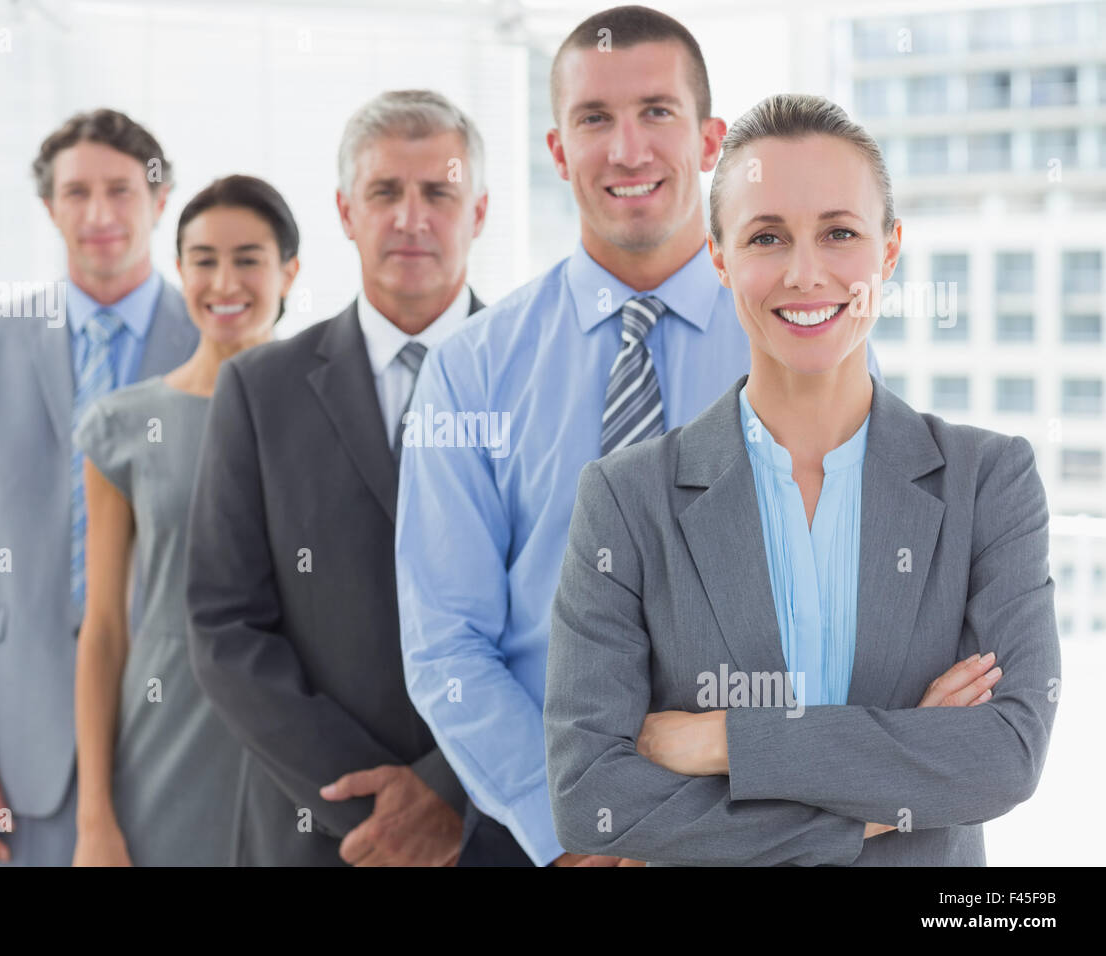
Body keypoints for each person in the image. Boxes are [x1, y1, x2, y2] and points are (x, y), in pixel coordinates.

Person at [396, 5, 881, 867]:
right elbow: (446, 643)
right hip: (545, 834)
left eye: (656, 111)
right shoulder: (470, 371)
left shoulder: (809, 333)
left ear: (710, 141)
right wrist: (577, 824)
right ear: (557, 150)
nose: (627, 150)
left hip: (771, 824)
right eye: (594, 119)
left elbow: (864, 595)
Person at [545, 92, 1060, 866]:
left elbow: (1006, 752)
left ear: (888, 252)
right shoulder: (625, 502)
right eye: (767, 237)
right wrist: (875, 806)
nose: (805, 272)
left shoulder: (989, 483)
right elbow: (593, 798)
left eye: (840, 233)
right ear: (718, 257)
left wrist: (724, 739)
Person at [187, 89, 484, 866]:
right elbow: (225, 625)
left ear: (478, 212)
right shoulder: (260, 389)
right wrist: (377, 801)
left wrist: (449, 793)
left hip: (491, 826)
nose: (410, 218)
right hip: (317, 829)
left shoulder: (543, 378)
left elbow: (567, 620)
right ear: (347, 212)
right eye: (385, 192)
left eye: (438, 193)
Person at [0, 108, 198, 866]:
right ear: (49, 208)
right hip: (19, 733)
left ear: (161, 199)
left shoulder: (214, 346)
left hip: (178, 723)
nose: (100, 214)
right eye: (76, 193)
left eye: (121, 190)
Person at [71, 175, 299, 866]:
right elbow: (105, 629)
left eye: (248, 257)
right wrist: (94, 820)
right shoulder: (124, 424)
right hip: (164, 741)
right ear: (179, 270)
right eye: (203, 259)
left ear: (290, 270)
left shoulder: (330, 415)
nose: (224, 280)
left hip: (302, 747)